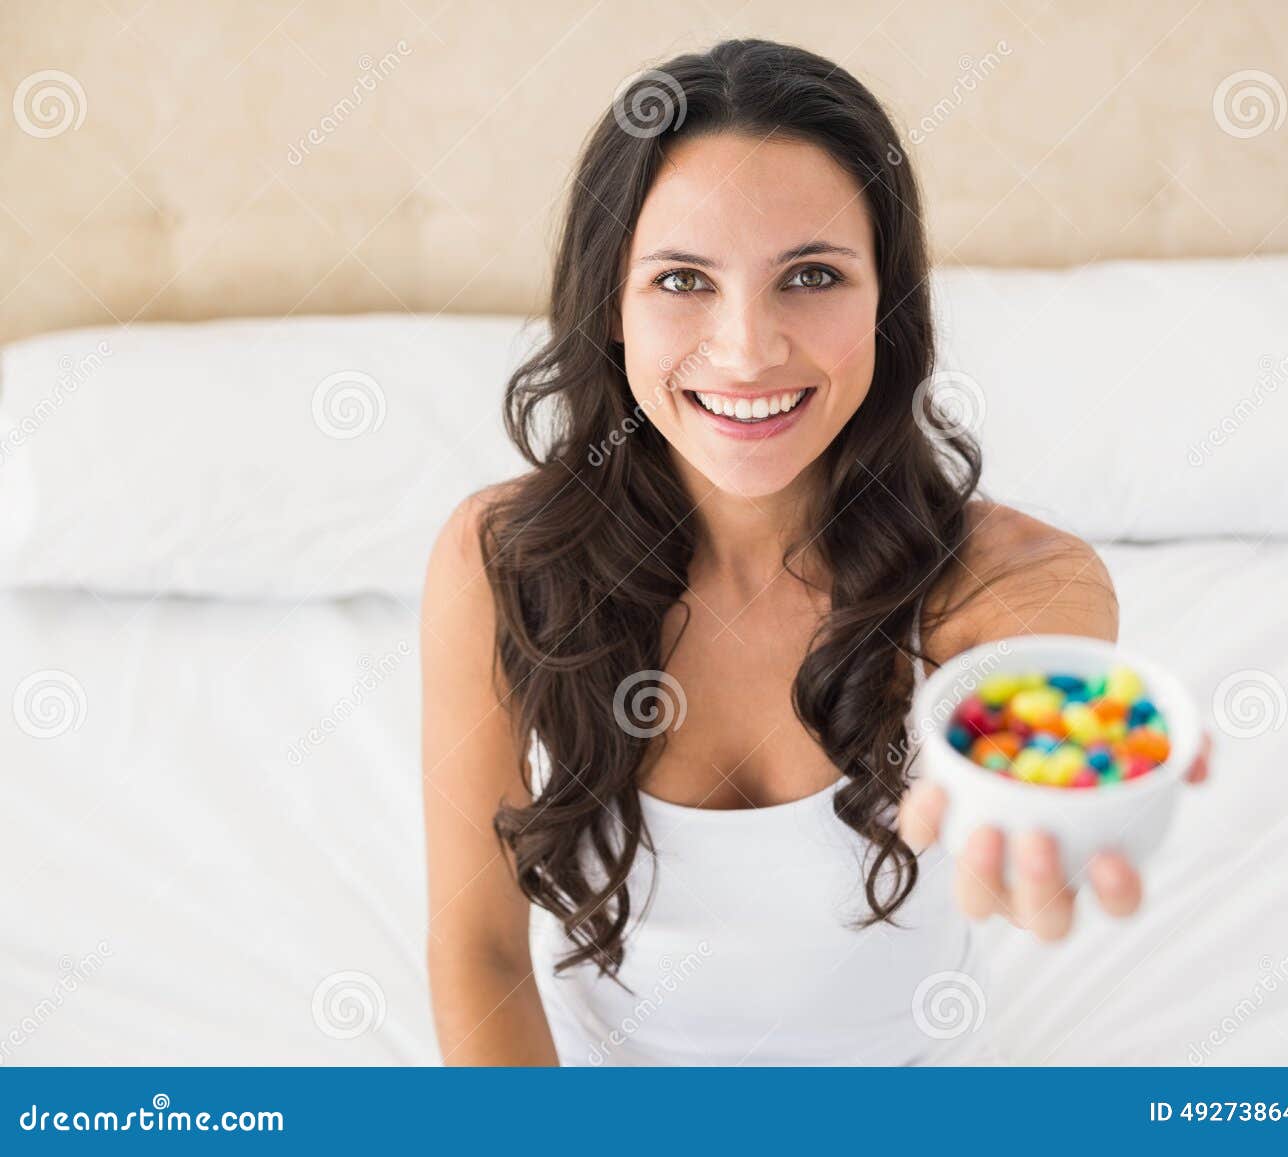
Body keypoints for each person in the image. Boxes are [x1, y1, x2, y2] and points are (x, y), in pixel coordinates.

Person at [421, 37, 1209, 1067]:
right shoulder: (501, 560)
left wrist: (1052, 793)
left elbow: (1047, 696)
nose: (748, 347)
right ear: (610, 304)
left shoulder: (1015, 582)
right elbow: (479, 951)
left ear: (887, 298)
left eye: (810, 274)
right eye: (682, 280)